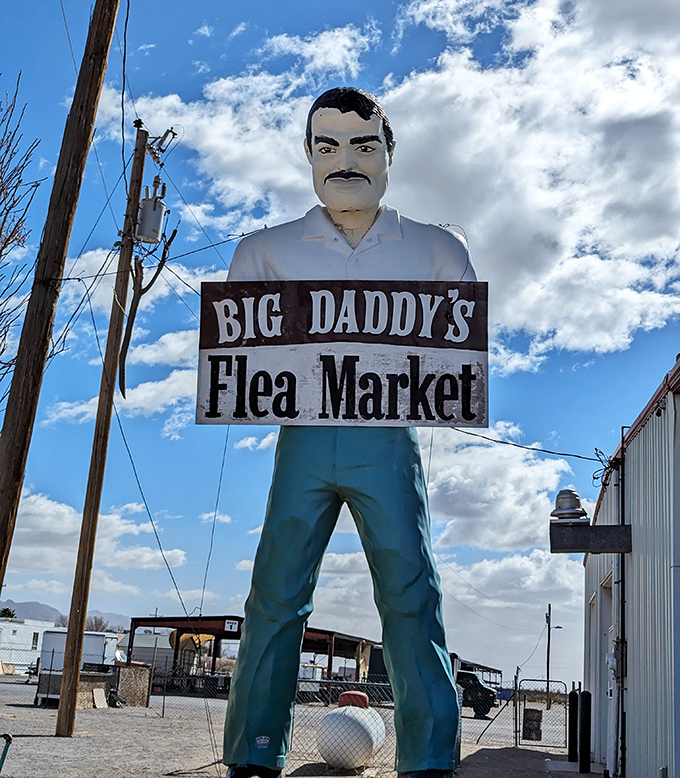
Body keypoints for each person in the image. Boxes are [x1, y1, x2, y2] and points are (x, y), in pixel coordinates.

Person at [223, 87, 476, 778]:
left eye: (364, 145)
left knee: (411, 592)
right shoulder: (264, 251)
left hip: (388, 436)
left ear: (389, 153)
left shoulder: (436, 249)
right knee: (275, 593)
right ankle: (253, 754)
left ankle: (429, 759)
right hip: (302, 435)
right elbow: (238, 354)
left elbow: (457, 355)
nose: (345, 161)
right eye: (327, 145)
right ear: (308, 153)